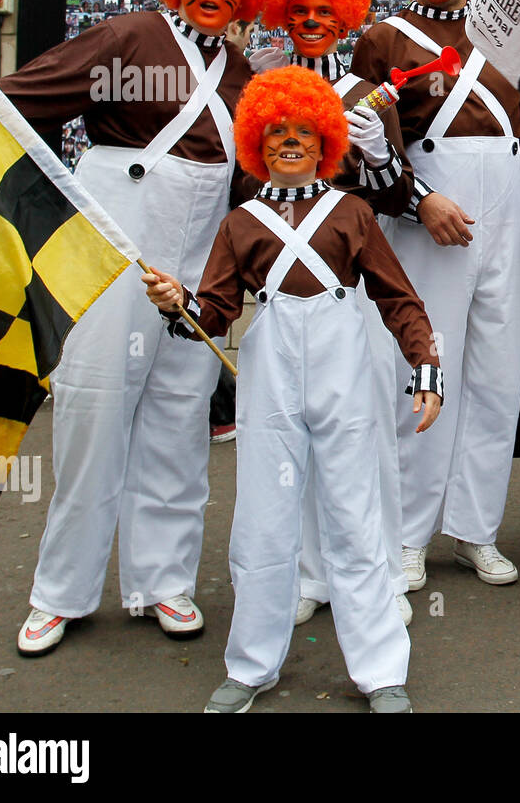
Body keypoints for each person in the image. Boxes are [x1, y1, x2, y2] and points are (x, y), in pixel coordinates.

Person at [0, 0, 273, 656]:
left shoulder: (245, 77)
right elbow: (19, 98)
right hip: (114, 250)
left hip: (197, 264)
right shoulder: (126, 37)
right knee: (93, 414)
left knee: (180, 419)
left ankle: (164, 582)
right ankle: (60, 592)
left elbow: (253, 181)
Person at [141, 66, 443, 714]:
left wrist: (426, 368)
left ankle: (382, 669)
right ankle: (250, 664)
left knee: (357, 521)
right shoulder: (240, 224)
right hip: (271, 381)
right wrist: (178, 302)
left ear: (325, 140)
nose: (289, 140)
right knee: (262, 524)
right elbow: (214, 314)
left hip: (346, 379)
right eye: (276, 130)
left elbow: (400, 299)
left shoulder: (354, 212)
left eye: (303, 130)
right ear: (257, 140)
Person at [348, 0, 520, 590]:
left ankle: (475, 528)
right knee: (427, 369)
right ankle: (408, 533)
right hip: (429, 213)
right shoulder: (384, 37)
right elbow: (364, 136)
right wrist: (416, 199)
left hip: (504, 208)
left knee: (497, 375)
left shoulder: (511, 34)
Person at [257, 0, 417, 627]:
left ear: (347, 18)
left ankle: (375, 572)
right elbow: (247, 186)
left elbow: (396, 191)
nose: (314, 19)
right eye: (301, 9)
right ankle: (305, 572)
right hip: (283, 288)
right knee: (288, 435)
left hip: (353, 290)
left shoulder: (368, 94)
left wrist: (378, 151)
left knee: (366, 433)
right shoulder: (262, 87)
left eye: (327, 9)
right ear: (285, 16)